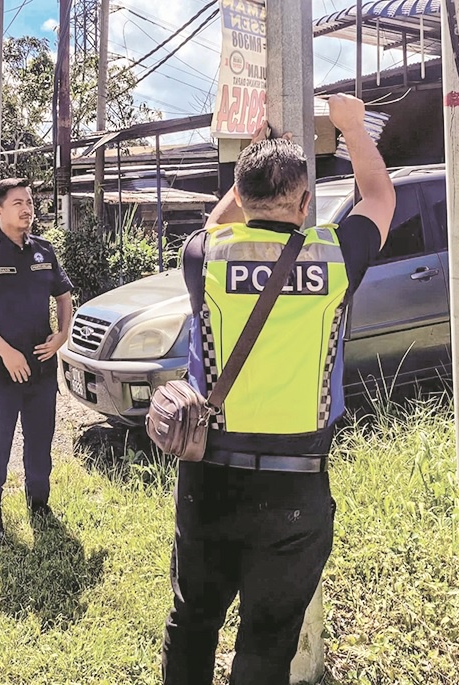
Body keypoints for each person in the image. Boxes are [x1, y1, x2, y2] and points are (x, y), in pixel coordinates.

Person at [161, 94, 396, 685]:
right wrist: (350, 125)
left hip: (210, 475)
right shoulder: (334, 257)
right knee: (267, 645)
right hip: (294, 488)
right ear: (306, 204)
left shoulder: (205, 254)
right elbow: (378, 197)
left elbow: (222, 222)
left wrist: (249, 161)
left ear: (240, 196)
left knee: (192, 622)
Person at [0, 178, 73, 543]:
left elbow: (64, 295)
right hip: (0, 369)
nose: (27, 208)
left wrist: (62, 334)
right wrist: (5, 352)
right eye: (17, 203)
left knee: (40, 441)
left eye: (29, 202)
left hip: (41, 367)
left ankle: (39, 504)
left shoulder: (45, 250)